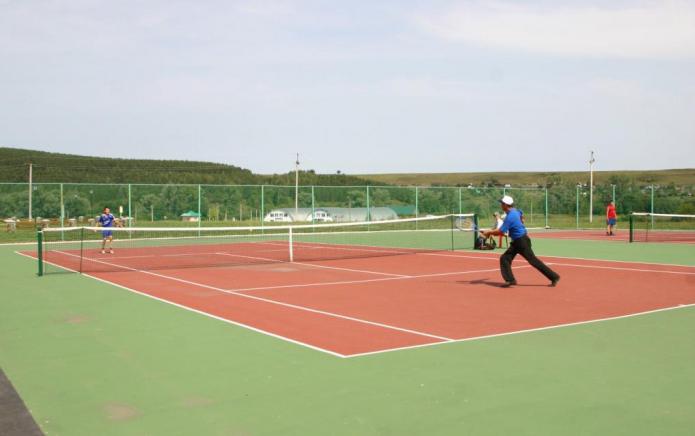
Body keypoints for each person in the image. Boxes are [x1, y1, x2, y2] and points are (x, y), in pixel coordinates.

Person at [481, 195, 560, 288]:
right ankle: (510, 280)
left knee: (533, 261)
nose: (501, 205)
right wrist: (521, 220)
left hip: (521, 241)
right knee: (505, 258)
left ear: (506, 205)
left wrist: (489, 232)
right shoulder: (516, 211)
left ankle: (554, 277)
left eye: (502, 203)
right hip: (518, 241)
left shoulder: (510, 217)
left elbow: (501, 231)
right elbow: (521, 213)